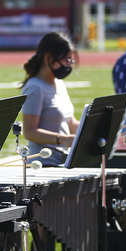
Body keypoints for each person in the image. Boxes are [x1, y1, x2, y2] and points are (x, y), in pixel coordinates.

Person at [20, 32, 79, 167]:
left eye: (71, 61)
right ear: (48, 57)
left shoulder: (58, 83)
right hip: (43, 163)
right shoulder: (35, 88)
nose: (69, 65)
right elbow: (30, 132)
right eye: (66, 60)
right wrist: (63, 139)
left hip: (62, 161)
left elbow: (71, 123)